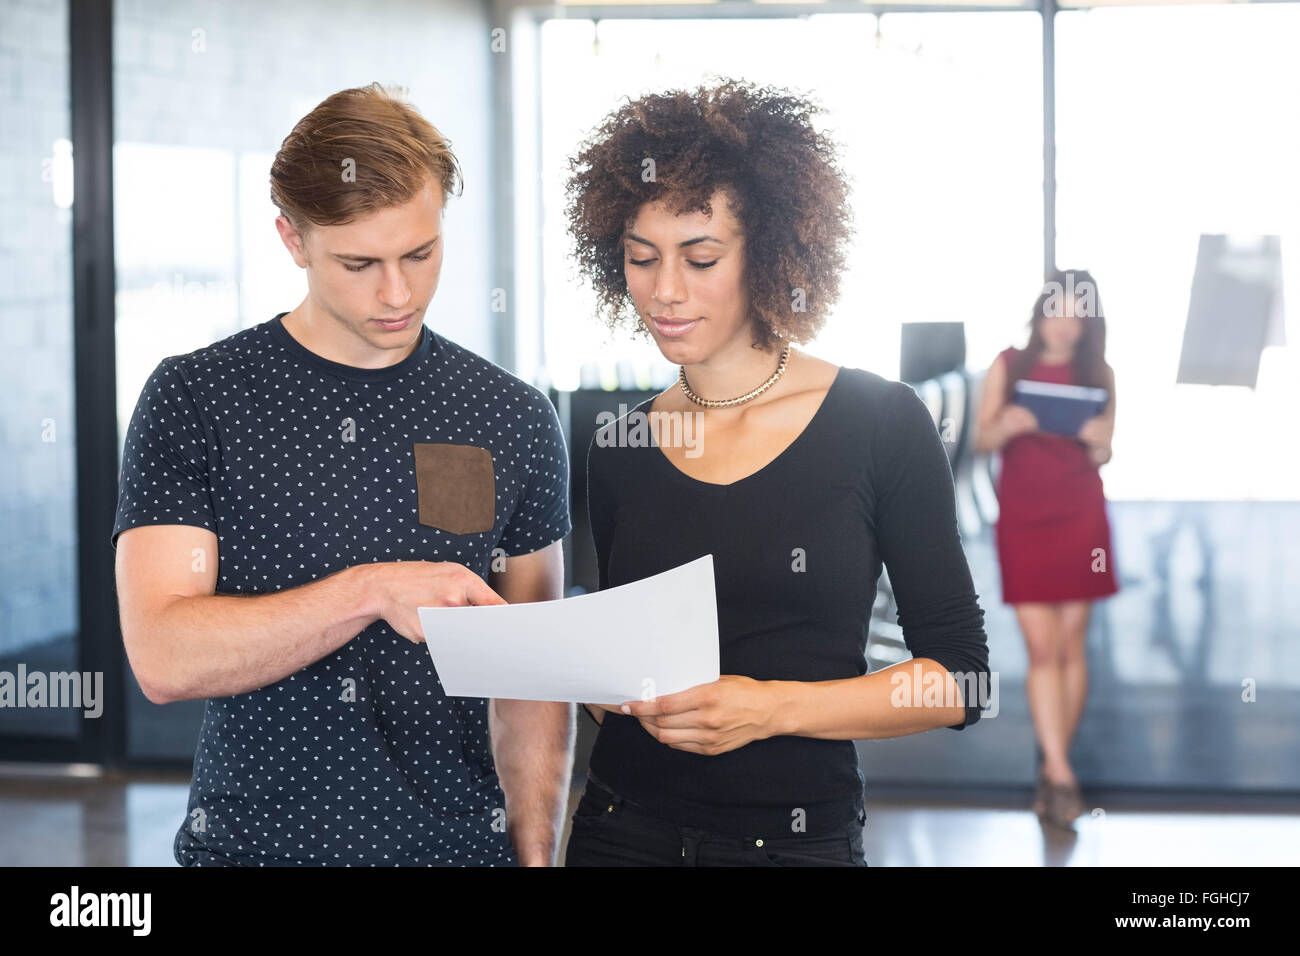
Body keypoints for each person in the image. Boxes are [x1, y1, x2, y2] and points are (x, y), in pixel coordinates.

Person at [112, 83, 574, 866]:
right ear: (293, 240)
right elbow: (163, 655)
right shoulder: (197, 398)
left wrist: (534, 858)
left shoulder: (511, 416)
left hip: (456, 852)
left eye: (420, 255)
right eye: (359, 263)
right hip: (250, 852)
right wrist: (370, 591)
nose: (397, 294)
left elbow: (530, 684)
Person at [560, 79, 991, 867]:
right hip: (621, 831)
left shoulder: (879, 423)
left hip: (793, 843)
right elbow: (625, 651)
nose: (665, 291)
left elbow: (961, 682)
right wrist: (599, 680)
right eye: (640, 259)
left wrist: (769, 710)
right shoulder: (618, 444)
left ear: (770, 252)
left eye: (700, 258)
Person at [973, 268, 1119, 831]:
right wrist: (1006, 426)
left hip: (1081, 516)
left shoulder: (1101, 372)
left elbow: (1108, 450)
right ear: (1041, 311)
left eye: (1079, 314)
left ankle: (1053, 775)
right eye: (1058, 310)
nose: (1067, 324)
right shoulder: (1008, 365)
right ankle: (1060, 772)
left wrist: (1096, 441)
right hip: (1024, 520)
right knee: (1041, 648)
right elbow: (980, 439)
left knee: (1069, 646)